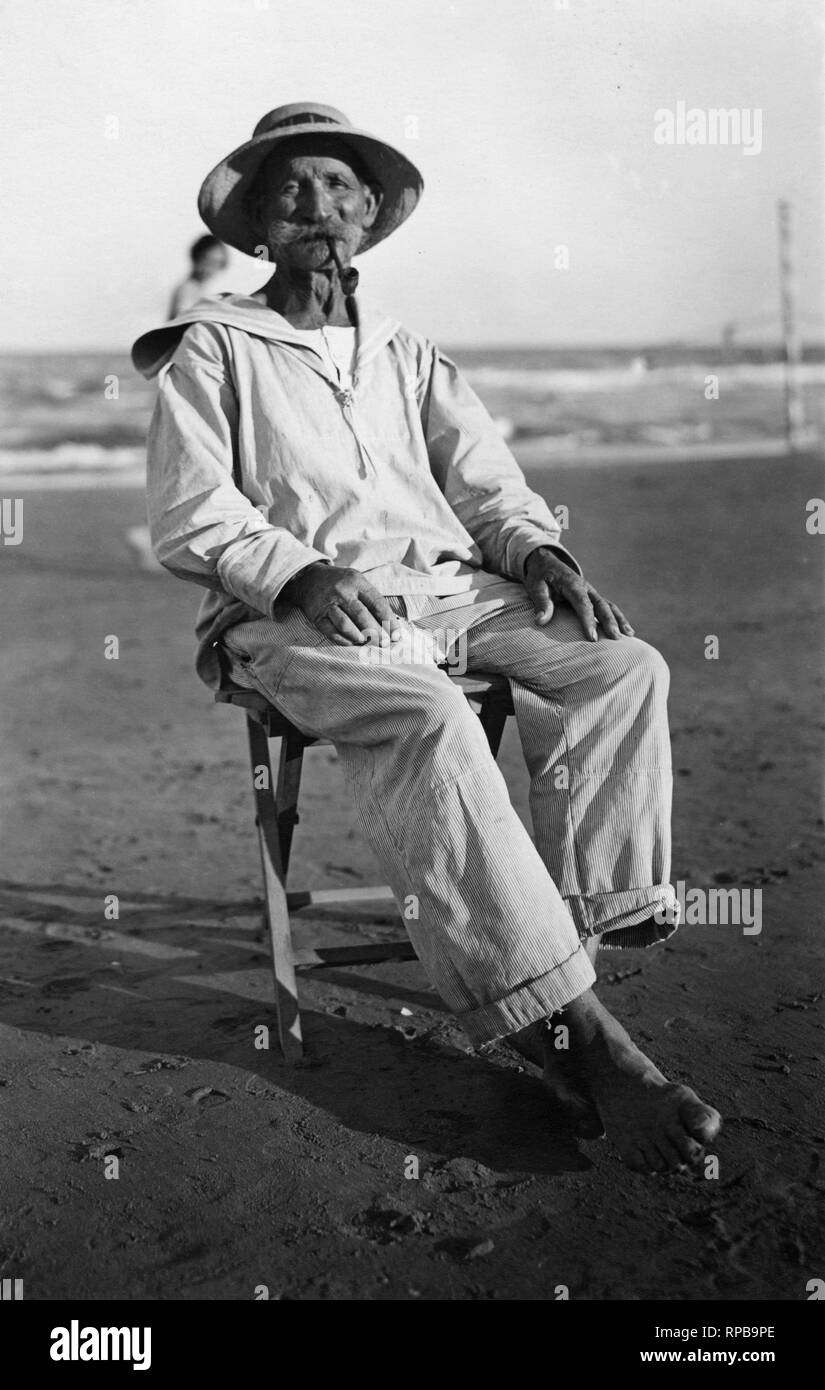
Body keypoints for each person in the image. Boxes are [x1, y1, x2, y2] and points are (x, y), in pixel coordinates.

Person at [132, 103, 721, 1173]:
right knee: (430, 712)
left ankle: (561, 947)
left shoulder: (409, 352)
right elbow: (191, 514)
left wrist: (542, 558)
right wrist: (301, 573)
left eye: (342, 188)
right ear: (258, 226)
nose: (322, 206)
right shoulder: (213, 347)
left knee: (623, 668)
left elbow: (491, 488)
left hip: (450, 596)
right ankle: (578, 1034)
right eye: (293, 190)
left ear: (369, 217)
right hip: (295, 614)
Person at [167, 234, 228, 318]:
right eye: (207, 261)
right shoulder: (187, 289)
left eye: (216, 263)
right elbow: (182, 319)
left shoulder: (202, 290)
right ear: (196, 257)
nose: (210, 269)